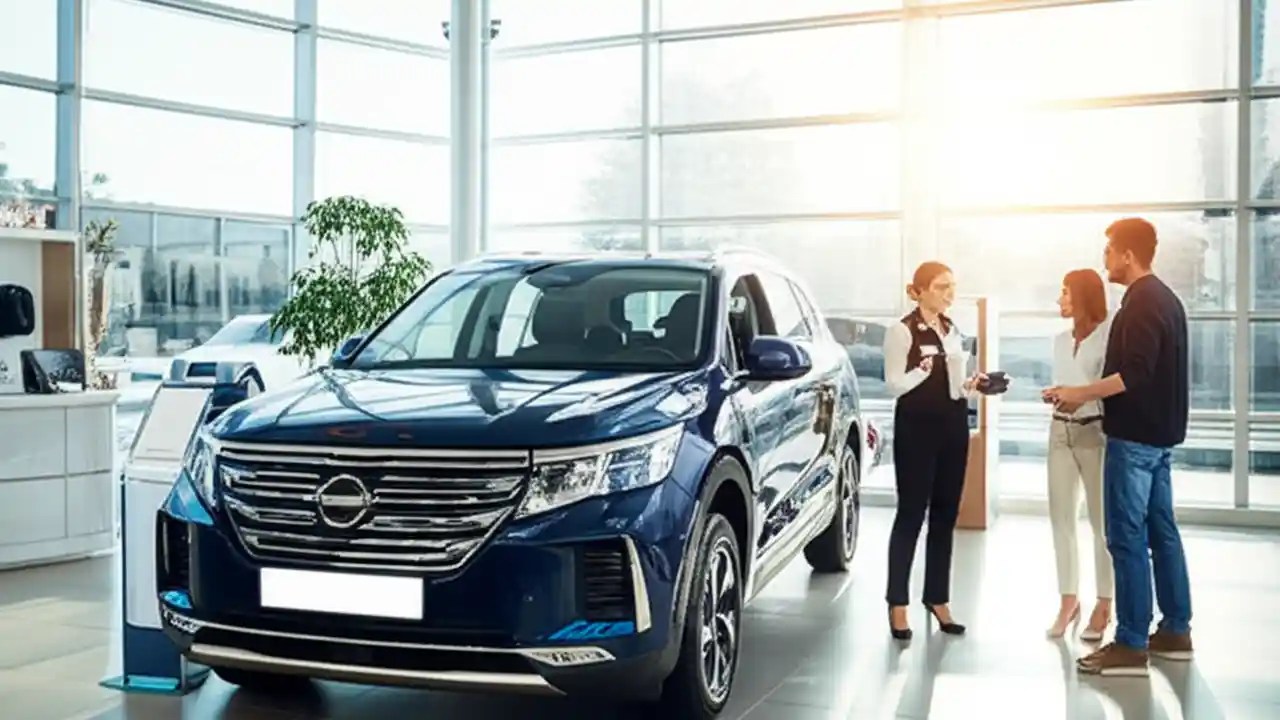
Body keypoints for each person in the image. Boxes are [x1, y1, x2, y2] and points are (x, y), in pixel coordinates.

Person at [1044, 217, 1193, 677]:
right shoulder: (1166, 299)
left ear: (1128, 254)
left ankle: (1130, 643)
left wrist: (1077, 393)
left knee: (1125, 539)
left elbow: (1135, 374)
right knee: (1162, 535)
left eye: (1109, 251)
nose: (1105, 259)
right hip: (1160, 438)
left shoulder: (1143, 303)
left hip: (1136, 440)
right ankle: (1175, 631)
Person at [883, 261, 986, 641]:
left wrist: (975, 385)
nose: (949, 293)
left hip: (953, 427)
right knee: (911, 514)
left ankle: (937, 598)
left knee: (945, 514)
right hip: (917, 430)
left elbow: (956, 388)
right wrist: (922, 373)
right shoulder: (902, 330)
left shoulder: (952, 329)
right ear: (919, 290)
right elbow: (894, 384)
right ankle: (897, 603)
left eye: (952, 286)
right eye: (942, 286)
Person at [1045, 269, 1114, 641]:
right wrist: (1058, 394)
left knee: (1102, 525)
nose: (1060, 300)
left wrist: (1076, 394)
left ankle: (1105, 603)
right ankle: (1068, 602)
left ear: (1084, 296)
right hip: (1059, 432)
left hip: (1094, 433)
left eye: (1065, 293)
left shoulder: (1107, 336)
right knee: (1061, 521)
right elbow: (1069, 386)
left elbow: (1105, 388)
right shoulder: (1059, 340)